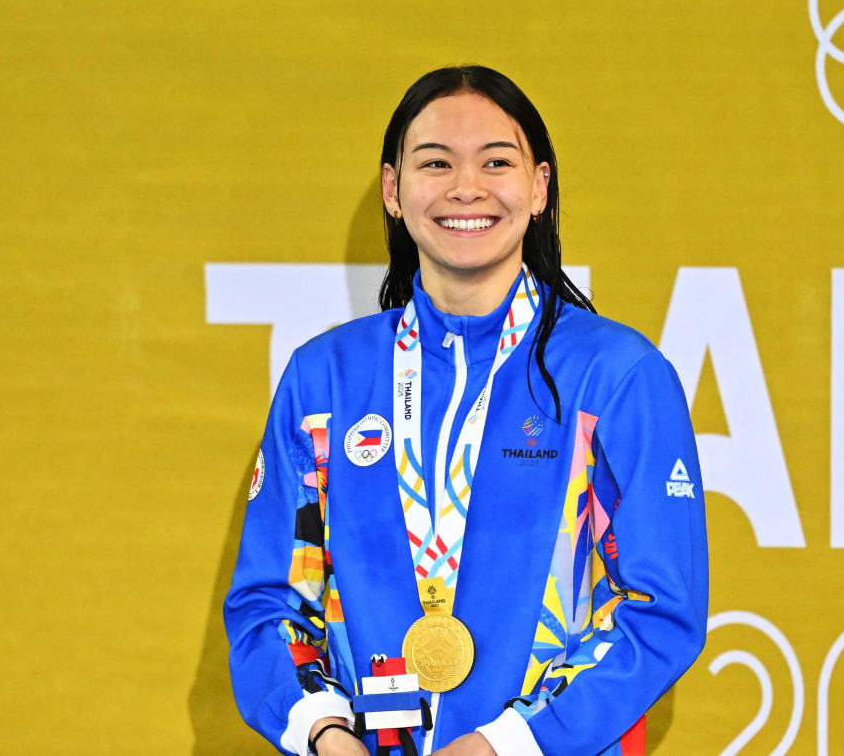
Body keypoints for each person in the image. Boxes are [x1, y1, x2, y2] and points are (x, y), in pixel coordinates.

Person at [225, 66, 709, 756]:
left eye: (496, 162)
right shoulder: (323, 381)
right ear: (393, 190)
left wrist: (506, 744)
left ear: (539, 187)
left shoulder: (616, 376)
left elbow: (660, 612)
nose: (466, 187)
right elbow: (268, 606)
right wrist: (325, 734)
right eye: (435, 163)